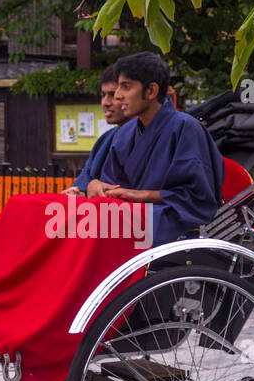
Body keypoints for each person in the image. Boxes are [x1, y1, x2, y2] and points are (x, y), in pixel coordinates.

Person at [87, 52, 224, 246]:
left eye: (126, 87)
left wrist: (141, 195)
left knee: (103, 227)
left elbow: (197, 198)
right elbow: (112, 187)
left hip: (172, 220)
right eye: (118, 87)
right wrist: (96, 186)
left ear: (151, 91)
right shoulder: (125, 134)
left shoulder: (185, 128)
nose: (118, 95)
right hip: (131, 215)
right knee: (70, 215)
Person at [64, 64, 122, 196]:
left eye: (113, 95)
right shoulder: (105, 139)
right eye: (103, 95)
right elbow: (85, 178)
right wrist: (77, 191)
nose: (105, 103)